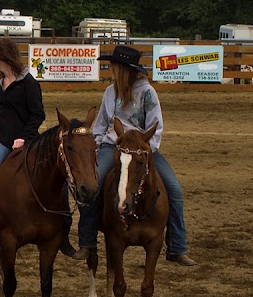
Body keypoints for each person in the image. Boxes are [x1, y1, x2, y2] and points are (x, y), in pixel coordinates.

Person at [75, 44, 195, 266]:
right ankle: (87, 241)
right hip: (114, 146)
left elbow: (155, 126)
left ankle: (177, 246)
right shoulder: (110, 93)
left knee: (174, 189)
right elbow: (101, 125)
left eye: (113, 66)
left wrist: (148, 149)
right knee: (93, 185)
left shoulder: (148, 93)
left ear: (122, 69)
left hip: (142, 149)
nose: (110, 69)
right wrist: (99, 145)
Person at [0, 37, 57, 252]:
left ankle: (63, 226)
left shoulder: (29, 83)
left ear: (1, 57)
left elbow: (38, 114)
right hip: (0, 137)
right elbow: (4, 115)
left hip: (26, 138)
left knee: (52, 174)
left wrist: (25, 137)